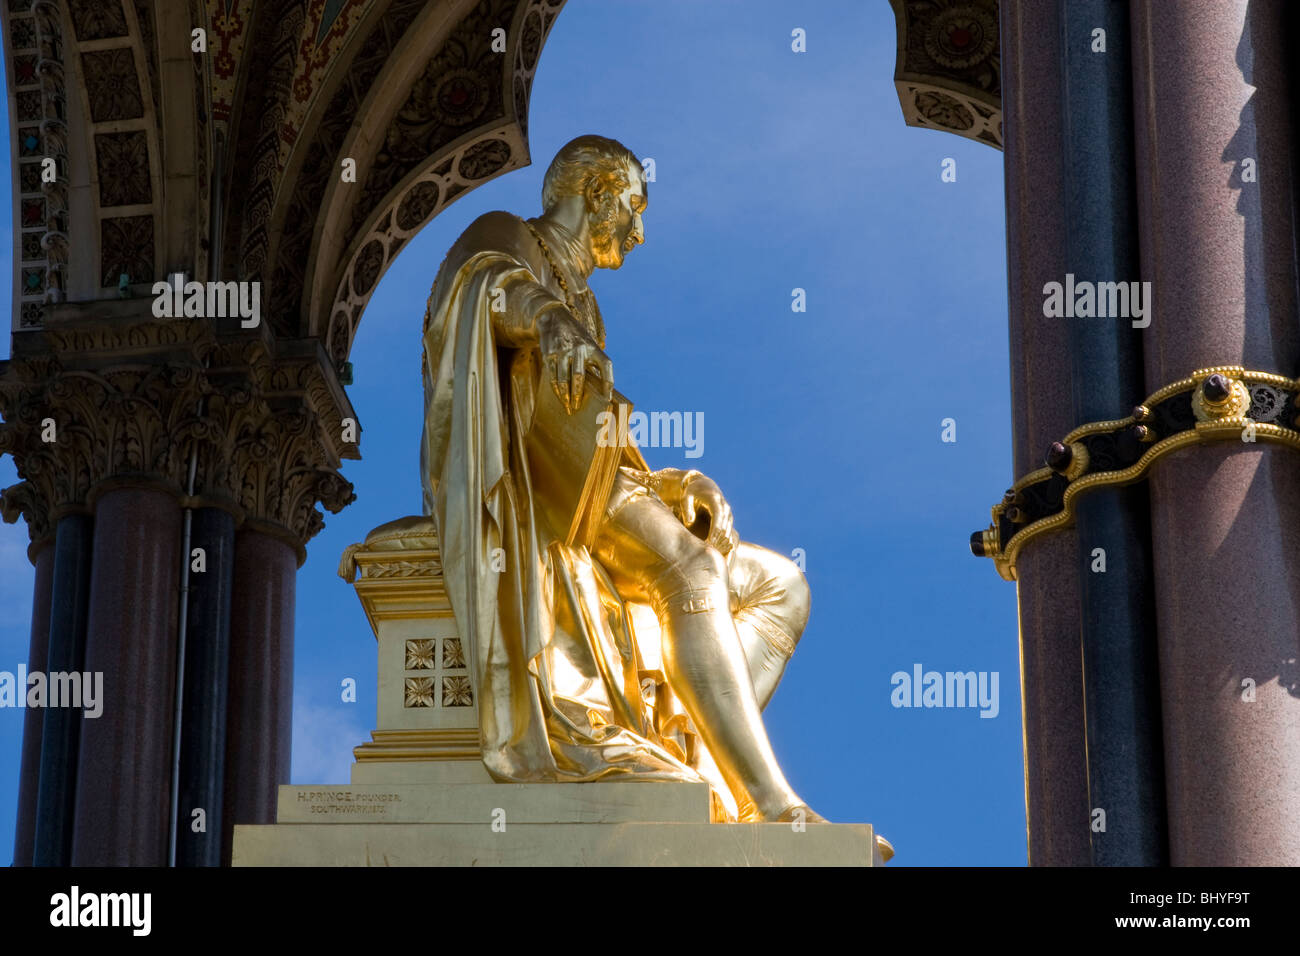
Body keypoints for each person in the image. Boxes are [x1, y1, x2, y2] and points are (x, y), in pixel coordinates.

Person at [420, 134, 823, 822]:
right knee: (691, 571)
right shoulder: (508, 236)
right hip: (536, 495)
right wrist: (544, 317)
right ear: (599, 194)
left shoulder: (587, 302)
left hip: (594, 488)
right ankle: (771, 803)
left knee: (781, 587)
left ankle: (704, 768)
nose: (638, 233)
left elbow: (596, 438)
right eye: (634, 207)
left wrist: (668, 483)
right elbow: (484, 286)